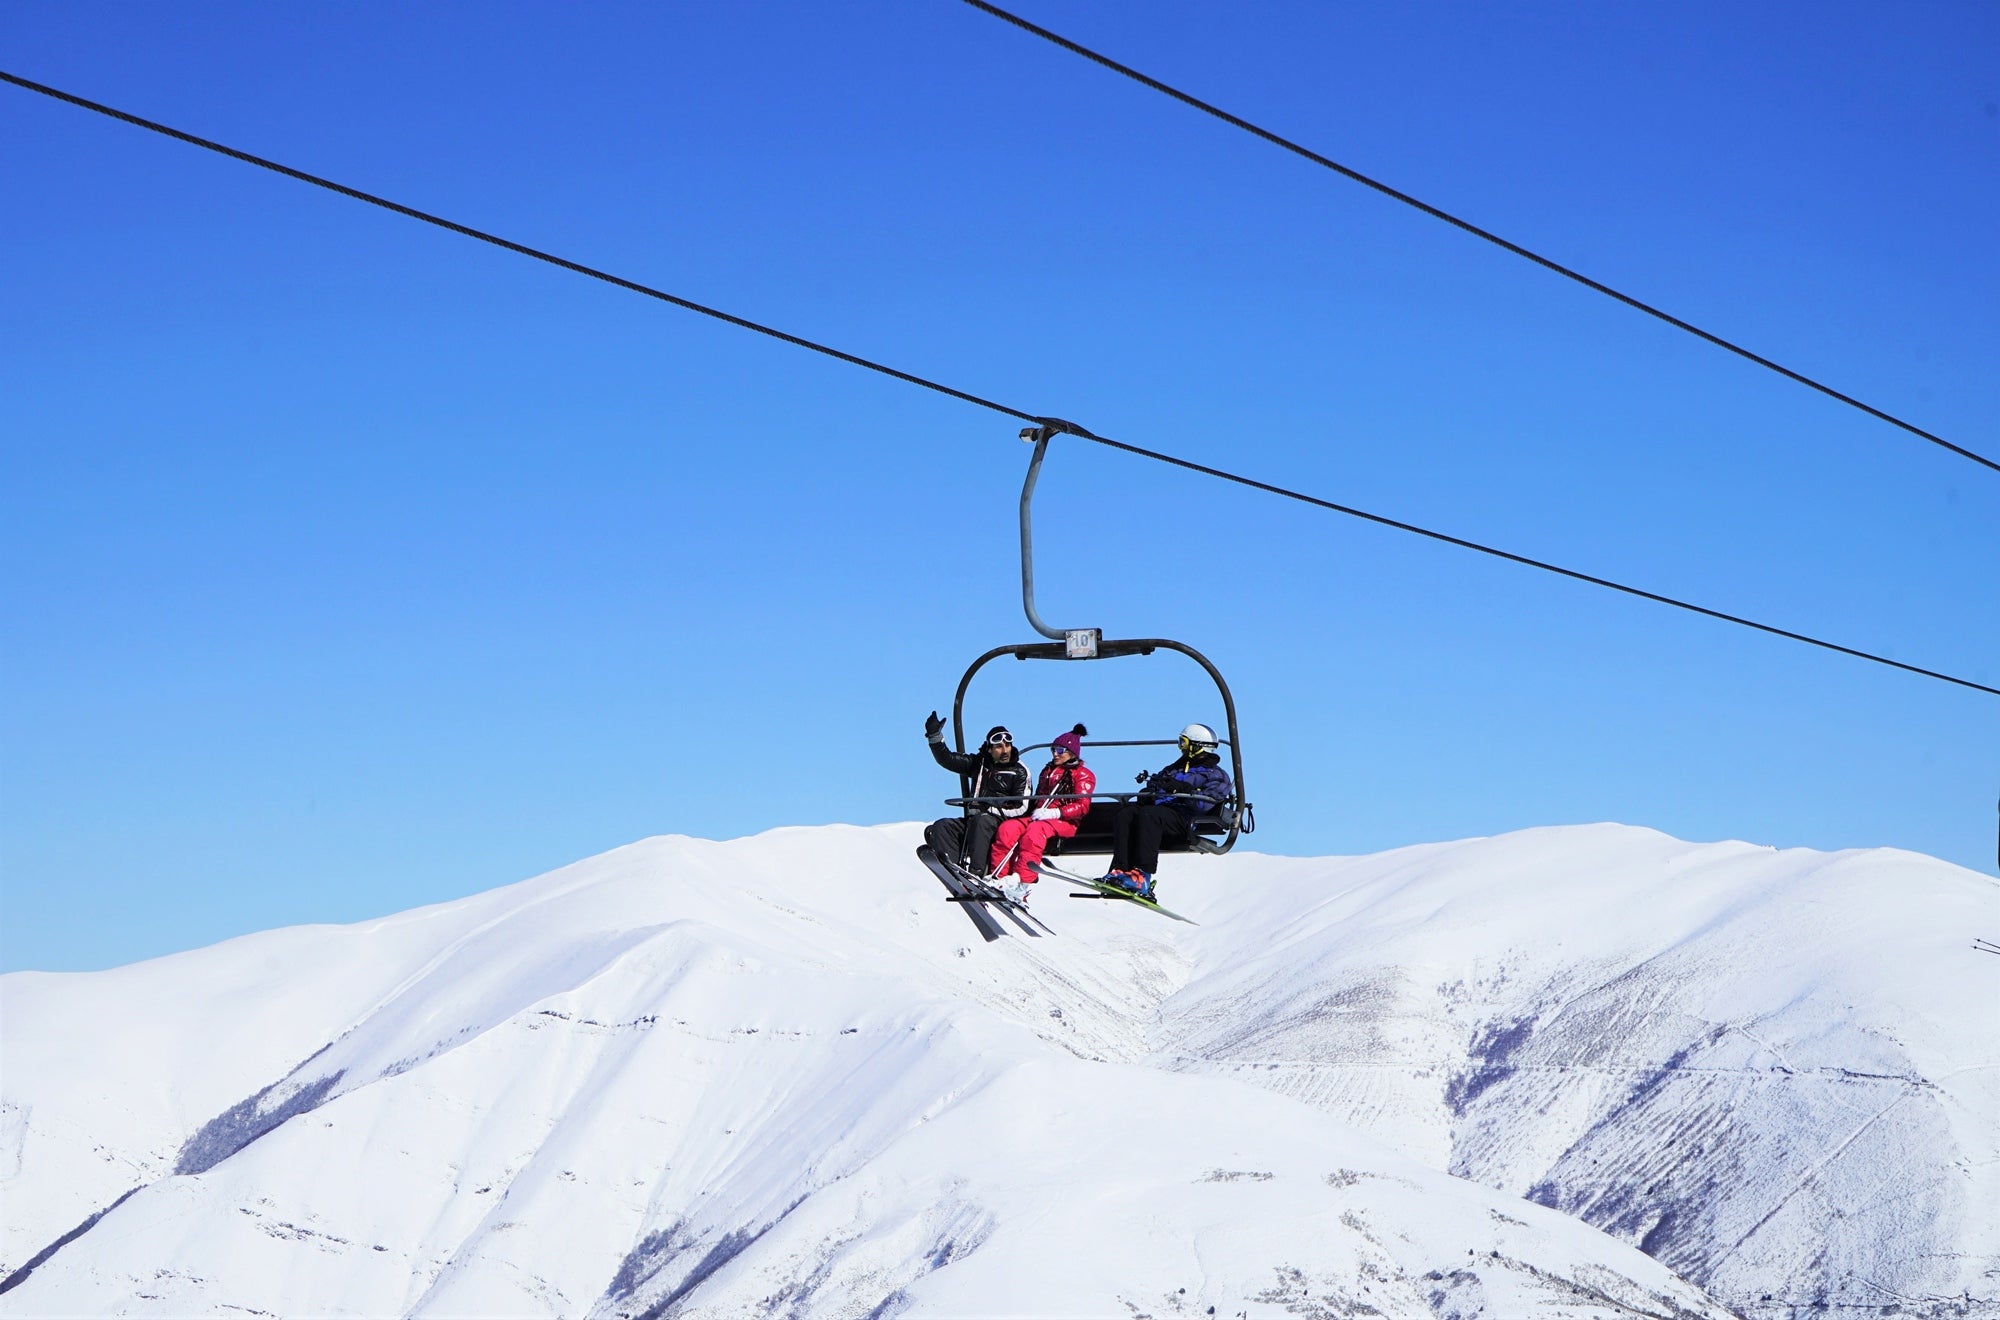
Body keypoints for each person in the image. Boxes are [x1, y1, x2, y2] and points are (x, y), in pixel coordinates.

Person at [1101, 723, 1233, 901]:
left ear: (1197, 746)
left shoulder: (1215, 775)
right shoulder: (1174, 769)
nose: (1181, 747)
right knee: (1127, 814)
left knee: (1150, 815)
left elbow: (1204, 804)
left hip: (1185, 818)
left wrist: (1184, 790)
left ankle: (1142, 875)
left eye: (1184, 743)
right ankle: (1120, 870)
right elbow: (1156, 784)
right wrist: (1149, 793)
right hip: (1160, 815)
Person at [989, 724, 1096, 903]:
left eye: (1060, 750)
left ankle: (1023, 883)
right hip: (1040, 816)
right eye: (1053, 750)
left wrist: (1056, 813)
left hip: (1065, 821)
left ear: (1072, 753)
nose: (1055, 754)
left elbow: (1082, 806)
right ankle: (999, 876)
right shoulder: (1047, 771)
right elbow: (1038, 797)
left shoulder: (1082, 775)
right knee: (1008, 829)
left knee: (1035, 832)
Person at [923, 712, 1030, 878]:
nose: (1004, 751)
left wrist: (991, 809)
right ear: (989, 749)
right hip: (974, 821)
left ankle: (977, 873)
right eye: (999, 747)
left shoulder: (1019, 771)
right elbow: (947, 759)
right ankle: (953, 870)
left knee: (982, 821)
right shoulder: (978, 764)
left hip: (999, 822)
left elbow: (1022, 807)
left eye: (1007, 746)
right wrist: (934, 736)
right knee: (943, 826)